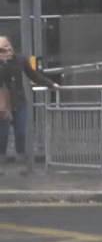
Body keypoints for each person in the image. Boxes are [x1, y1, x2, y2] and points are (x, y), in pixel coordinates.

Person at [0, 36, 58, 166]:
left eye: (8, 47)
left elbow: (33, 75)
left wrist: (50, 84)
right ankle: (1, 159)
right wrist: (3, 64)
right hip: (3, 104)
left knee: (21, 131)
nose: (7, 51)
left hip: (19, 101)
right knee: (2, 134)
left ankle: (21, 157)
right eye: (2, 49)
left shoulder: (20, 60)